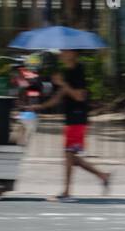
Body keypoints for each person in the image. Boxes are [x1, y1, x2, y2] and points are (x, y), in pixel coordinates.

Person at [43, 49, 111, 200]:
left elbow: (79, 96)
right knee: (71, 157)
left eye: (64, 51)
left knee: (69, 155)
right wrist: (37, 107)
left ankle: (67, 191)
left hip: (77, 118)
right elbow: (59, 96)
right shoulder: (67, 72)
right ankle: (102, 176)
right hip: (71, 120)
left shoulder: (78, 70)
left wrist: (62, 83)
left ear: (73, 53)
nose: (61, 53)